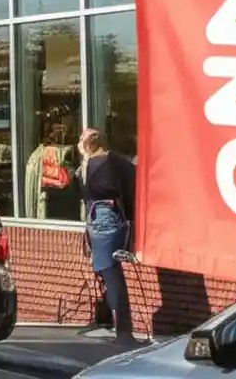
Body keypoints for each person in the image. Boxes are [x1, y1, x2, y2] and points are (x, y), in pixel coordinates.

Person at [77, 127, 138, 344]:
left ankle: (122, 330)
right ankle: (119, 327)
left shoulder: (91, 166)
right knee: (110, 275)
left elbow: (85, 191)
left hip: (100, 219)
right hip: (106, 218)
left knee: (110, 275)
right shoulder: (110, 161)